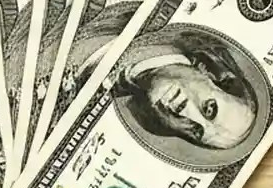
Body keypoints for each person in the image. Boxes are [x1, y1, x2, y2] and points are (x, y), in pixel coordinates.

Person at [111, 30, 259, 151]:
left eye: (196, 131)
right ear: (212, 73)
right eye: (209, 109)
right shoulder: (164, 33)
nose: (185, 116)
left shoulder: (111, 92)